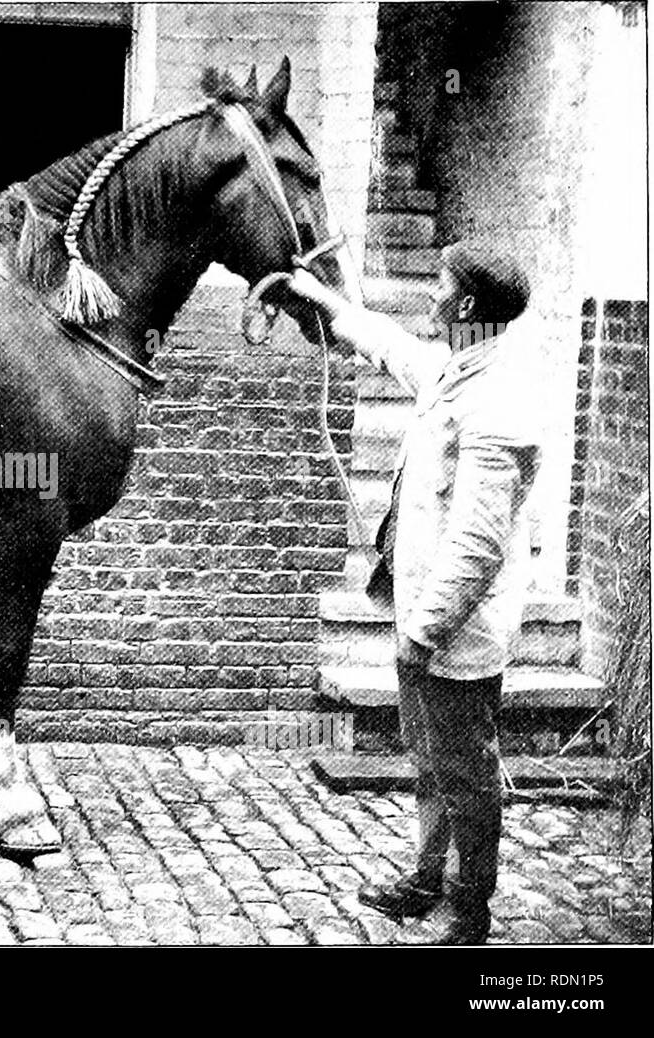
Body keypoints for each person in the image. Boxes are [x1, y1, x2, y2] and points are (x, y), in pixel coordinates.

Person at [288, 242, 542, 944]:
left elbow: (478, 546)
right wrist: (328, 304)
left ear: (463, 306)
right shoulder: (461, 366)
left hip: (453, 634)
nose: (429, 296)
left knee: (466, 773)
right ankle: (426, 878)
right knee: (430, 763)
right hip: (423, 624)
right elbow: (395, 347)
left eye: (438, 285)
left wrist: (424, 631)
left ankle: (468, 912)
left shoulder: (497, 402)